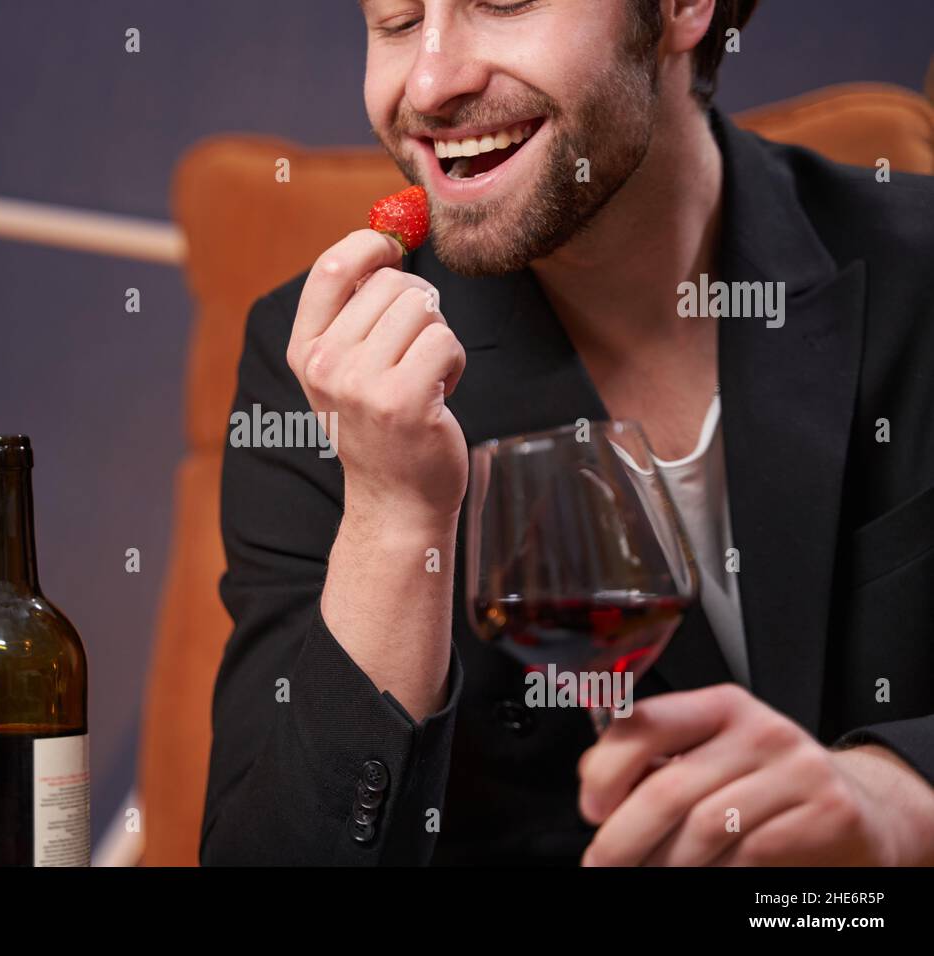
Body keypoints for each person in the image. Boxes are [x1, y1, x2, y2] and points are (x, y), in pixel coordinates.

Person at [201, 0, 934, 865]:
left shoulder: (916, 270)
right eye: (396, 21)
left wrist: (900, 802)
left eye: (504, 3)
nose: (430, 83)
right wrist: (393, 519)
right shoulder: (323, 367)